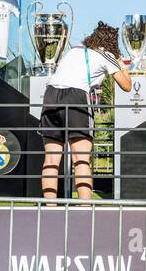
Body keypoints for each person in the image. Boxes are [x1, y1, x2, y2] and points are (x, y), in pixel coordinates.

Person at [39, 22, 132, 201]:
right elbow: (127, 86)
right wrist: (121, 63)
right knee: (81, 159)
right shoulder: (106, 54)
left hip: (50, 95)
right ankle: (85, 209)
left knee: (50, 160)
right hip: (76, 96)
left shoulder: (75, 50)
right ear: (112, 42)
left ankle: (49, 209)